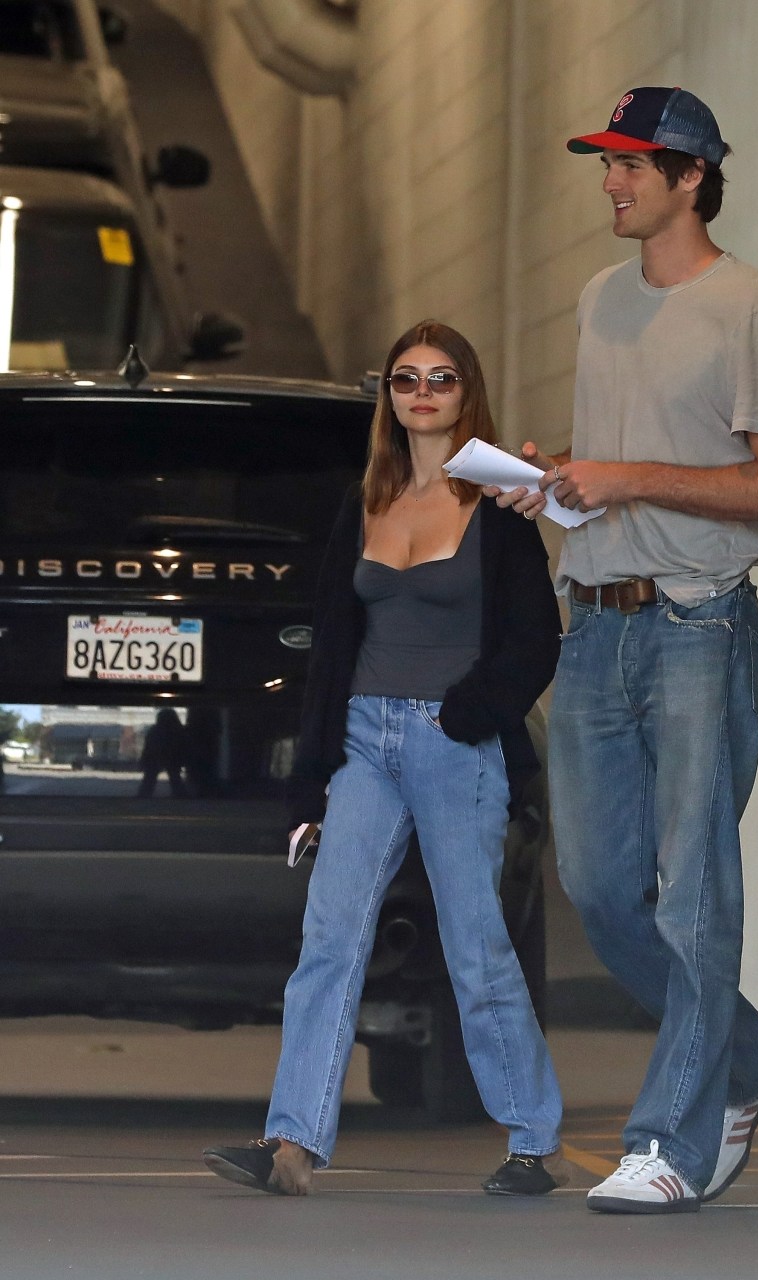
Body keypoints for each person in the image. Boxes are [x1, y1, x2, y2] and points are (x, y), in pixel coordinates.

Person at [490, 88, 758, 1213]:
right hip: (594, 622)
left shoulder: (749, 309)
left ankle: (671, 1140)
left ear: (692, 178)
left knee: (692, 896)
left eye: (633, 164)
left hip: (696, 625)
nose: (612, 182)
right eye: (608, 162)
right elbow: (622, 459)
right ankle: (747, 1056)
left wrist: (625, 478)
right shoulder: (600, 298)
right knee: (596, 885)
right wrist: (560, 480)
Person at [203, 320, 565, 1197]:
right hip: (363, 740)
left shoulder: (502, 502)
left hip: (454, 742)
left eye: (442, 378)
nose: (422, 393)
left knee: (475, 945)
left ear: (466, 391)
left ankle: (531, 1141)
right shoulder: (364, 498)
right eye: (406, 379)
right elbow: (332, 645)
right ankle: (291, 1145)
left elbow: (535, 639)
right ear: (389, 396)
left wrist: (468, 713)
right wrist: (311, 778)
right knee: (329, 938)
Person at [136, 708, 187, 799]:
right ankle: (180, 794)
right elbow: (183, 746)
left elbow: (148, 747)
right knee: (175, 777)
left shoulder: (155, 730)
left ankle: (144, 794)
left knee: (150, 777)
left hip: (156, 756)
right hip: (172, 757)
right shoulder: (178, 730)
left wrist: (144, 760)